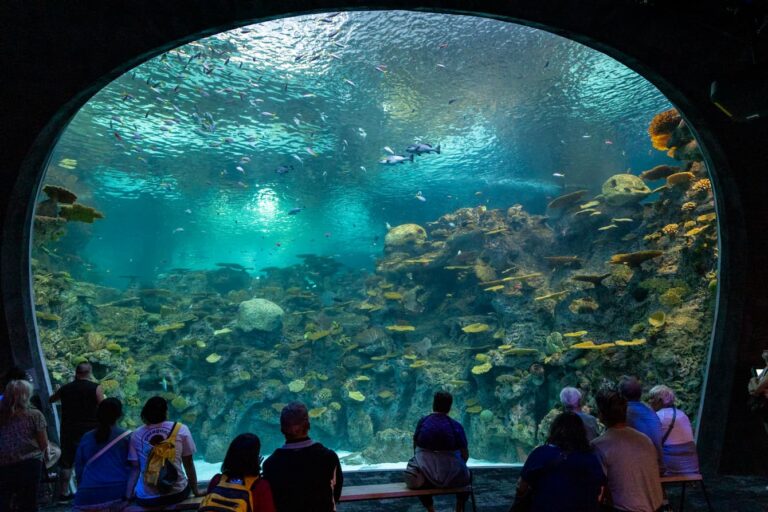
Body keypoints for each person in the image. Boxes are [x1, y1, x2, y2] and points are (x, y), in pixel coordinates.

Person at [514, 411, 605, 512]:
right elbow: (600, 488)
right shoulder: (590, 458)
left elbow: (521, 487)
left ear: (554, 430)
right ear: (581, 433)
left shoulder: (540, 453)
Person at [591, 388, 663, 512]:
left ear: (600, 414)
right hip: (657, 507)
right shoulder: (645, 439)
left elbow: (596, 487)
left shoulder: (599, 445)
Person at [263, 402, 342, 512]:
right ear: (308, 425)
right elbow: (336, 494)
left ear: (282, 429)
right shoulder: (329, 457)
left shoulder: (270, 464)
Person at [126, 396, 201, 507]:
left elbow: (135, 467)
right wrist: (196, 491)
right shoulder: (181, 429)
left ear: (145, 412)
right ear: (166, 412)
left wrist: (128, 495)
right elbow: (188, 463)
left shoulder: (136, 434)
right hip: (177, 494)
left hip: (147, 498)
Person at [49, 361, 105, 500]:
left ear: (76, 372)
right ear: (89, 373)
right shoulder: (96, 388)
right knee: (92, 459)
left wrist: (58, 392)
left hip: (69, 430)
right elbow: (104, 407)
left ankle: (64, 493)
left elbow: (51, 400)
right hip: (91, 430)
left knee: (67, 462)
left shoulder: (65, 388)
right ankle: (91, 490)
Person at [410, 391, 471, 512]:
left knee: (414, 474)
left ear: (433, 404)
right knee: (468, 477)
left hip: (424, 479)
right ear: (450, 407)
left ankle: (430, 509)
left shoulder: (423, 422)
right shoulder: (456, 426)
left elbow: (415, 449)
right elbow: (465, 455)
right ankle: (459, 508)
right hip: (453, 477)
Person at [73, 397, 132, 511]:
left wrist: (85, 487)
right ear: (120, 415)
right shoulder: (127, 437)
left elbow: (79, 467)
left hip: (86, 496)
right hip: (117, 493)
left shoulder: (86, 437)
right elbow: (134, 468)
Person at [0, 379, 49, 512]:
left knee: (6, 502)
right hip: (30, 463)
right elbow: (44, 444)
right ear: (26, 395)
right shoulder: (34, 415)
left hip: (4, 463)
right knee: (29, 502)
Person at [203, 433, 275, 512]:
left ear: (230, 454)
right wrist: (256, 470)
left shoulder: (216, 480)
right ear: (255, 458)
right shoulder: (260, 487)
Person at [647, 385, 700, 475]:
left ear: (660, 401)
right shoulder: (682, 415)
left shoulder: (658, 416)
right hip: (692, 468)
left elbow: (650, 441)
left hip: (671, 470)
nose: (649, 401)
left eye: (652, 398)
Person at [618, 375, 664, 473]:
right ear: (640, 394)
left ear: (621, 395)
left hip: (640, 469)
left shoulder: (623, 413)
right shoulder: (651, 412)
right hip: (657, 466)